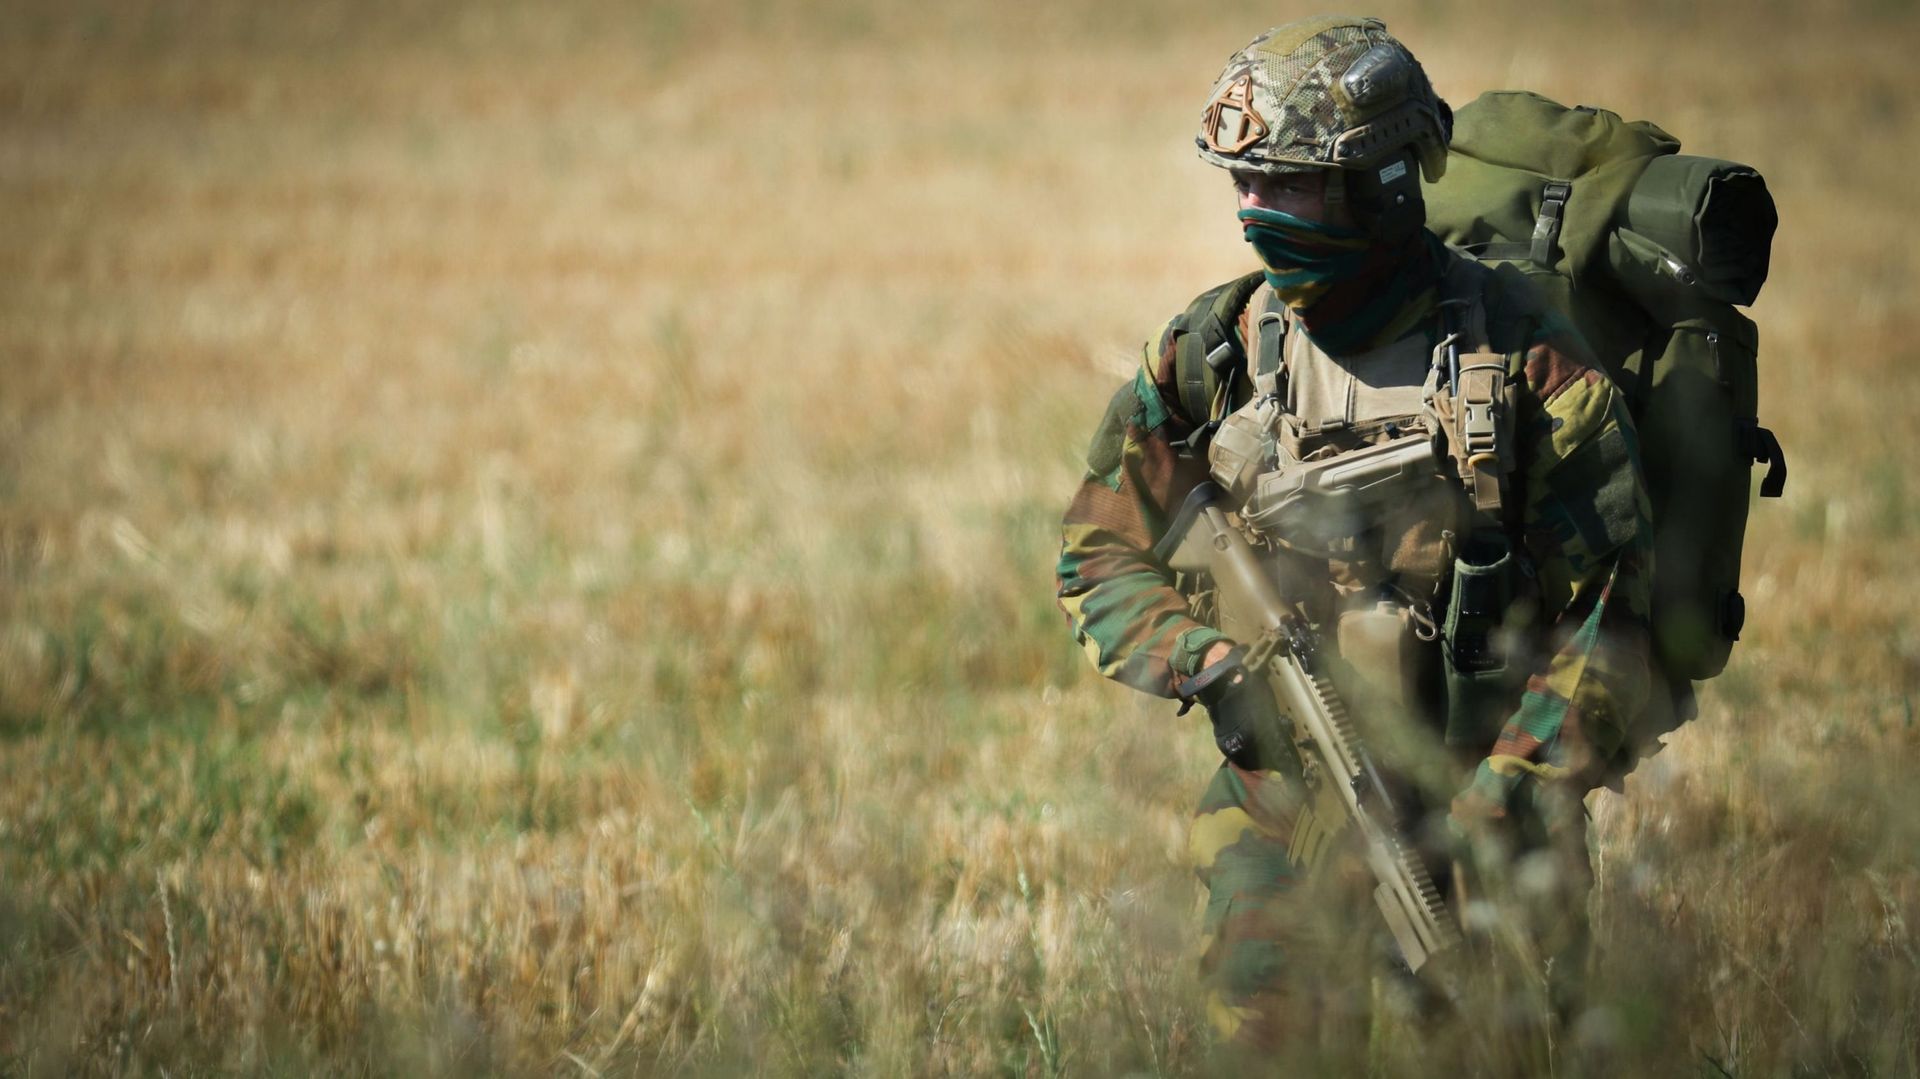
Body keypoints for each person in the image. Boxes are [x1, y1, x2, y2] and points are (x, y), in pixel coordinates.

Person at [1053, 16, 1656, 1051]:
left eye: (1284, 183)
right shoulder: (1221, 345)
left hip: (1487, 803)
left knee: (1493, 1040)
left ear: (1377, 182)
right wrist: (1208, 667)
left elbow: (1621, 615)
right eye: (1242, 183)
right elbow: (1099, 549)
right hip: (1282, 801)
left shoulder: (1521, 355)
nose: (1253, 211)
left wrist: (1509, 797)